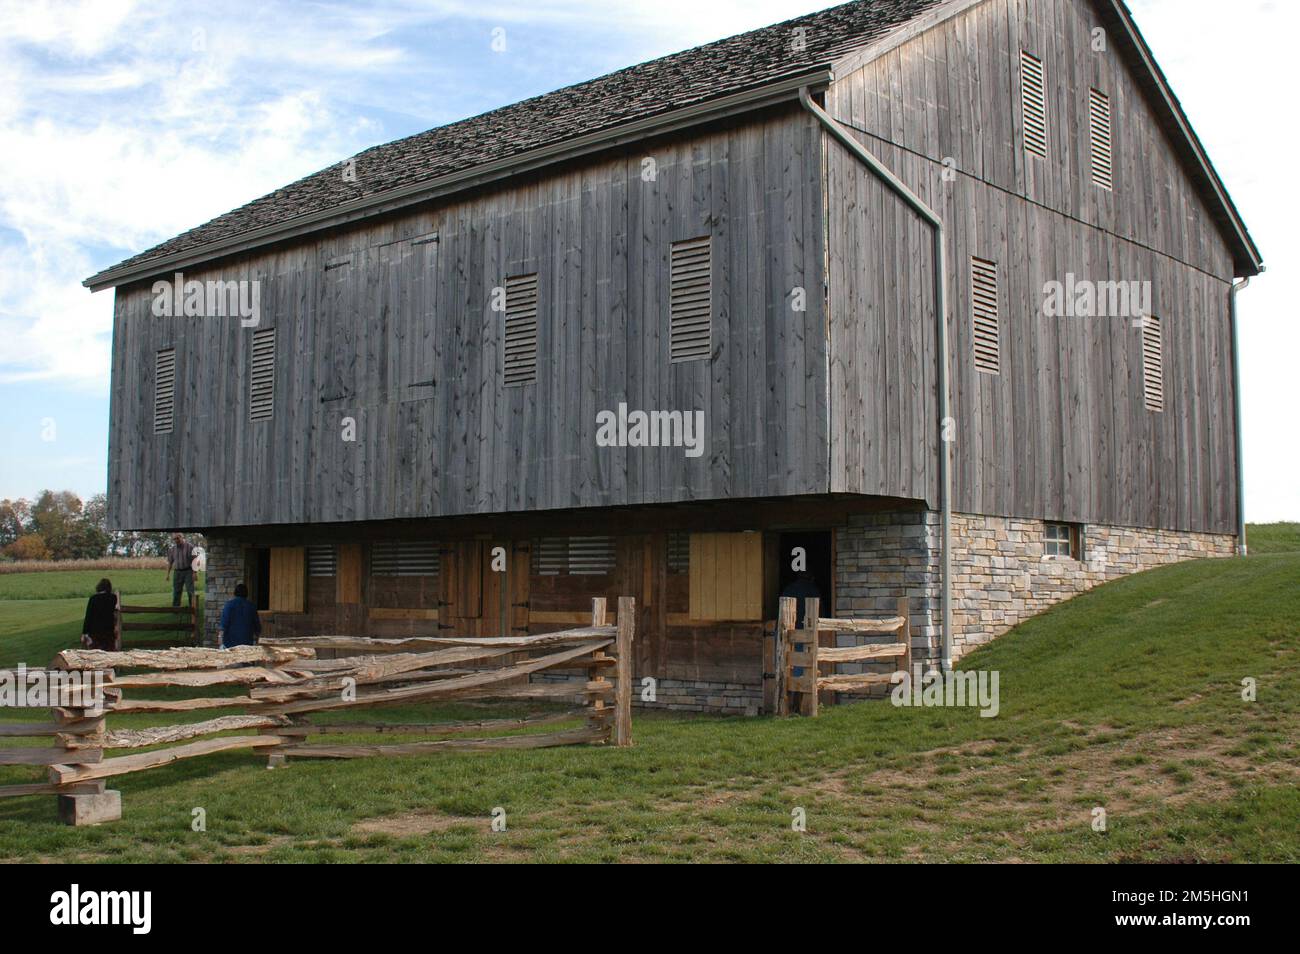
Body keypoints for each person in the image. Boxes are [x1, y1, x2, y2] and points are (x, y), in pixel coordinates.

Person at [218, 583, 261, 649]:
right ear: (246, 593)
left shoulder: (229, 605)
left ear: (235, 593)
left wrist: (220, 640)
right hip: (247, 644)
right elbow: (257, 627)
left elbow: (223, 624)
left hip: (230, 644)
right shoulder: (252, 606)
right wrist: (257, 641)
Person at [81, 578, 119, 651]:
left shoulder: (93, 599)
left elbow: (89, 616)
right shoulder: (113, 598)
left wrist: (84, 632)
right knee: (109, 652)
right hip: (108, 630)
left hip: (95, 631)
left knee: (95, 652)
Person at [165, 532, 196, 608]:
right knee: (176, 591)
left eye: (178, 538)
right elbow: (170, 562)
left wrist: (195, 573)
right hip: (177, 572)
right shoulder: (172, 549)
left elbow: (195, 561)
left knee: (190, 591)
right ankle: (176, 608)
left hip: (188, 571)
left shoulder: (190, 547)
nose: (176, 540)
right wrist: (167, 574)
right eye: (174, 539)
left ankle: (192, 608)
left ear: (182, 537)